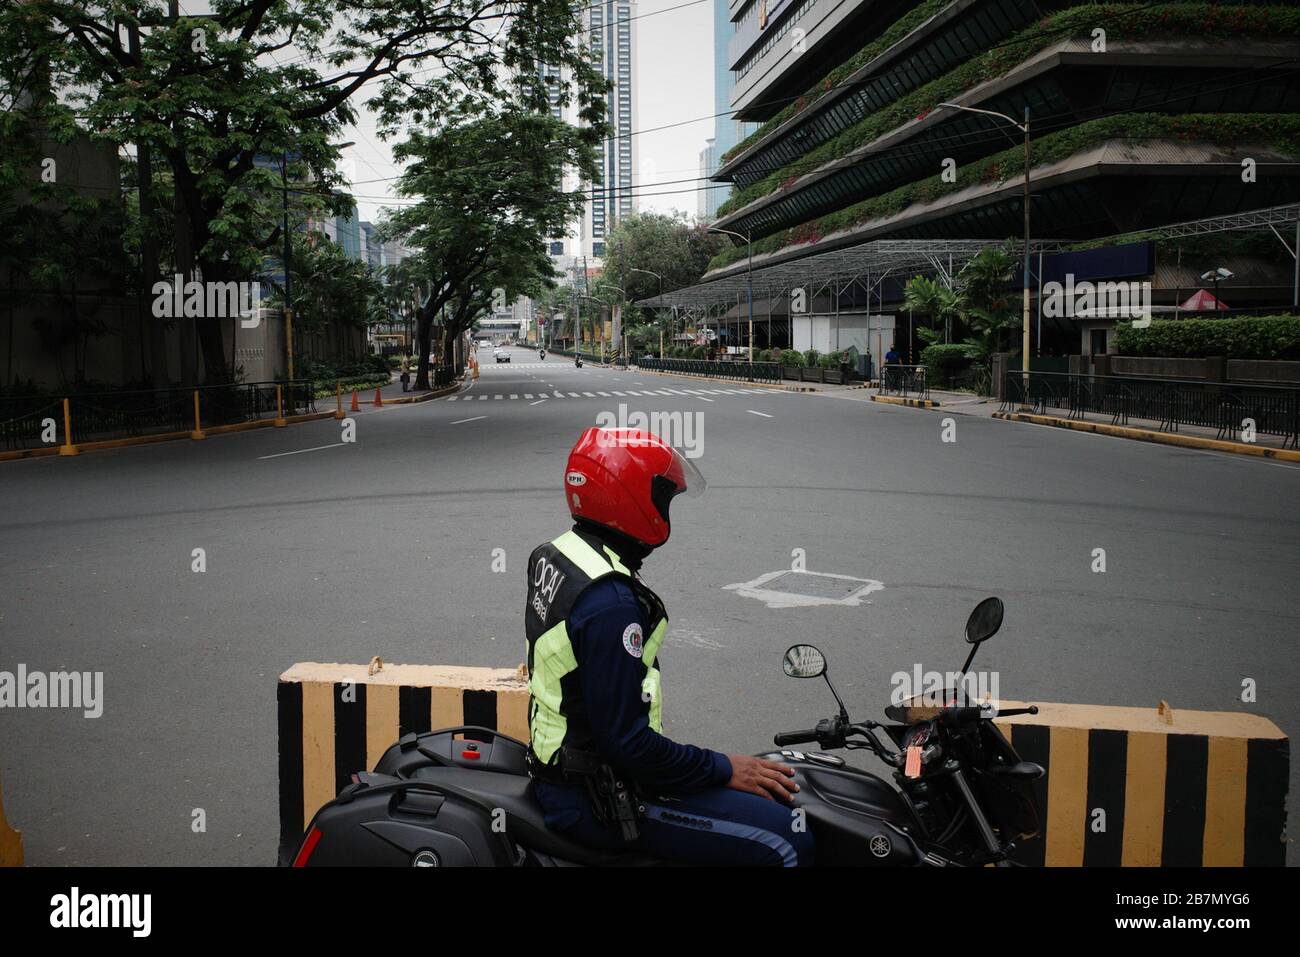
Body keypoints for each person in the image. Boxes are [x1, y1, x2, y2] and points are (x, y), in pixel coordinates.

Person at [524, 428, 814, 866]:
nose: (665, 508)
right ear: (629, 500)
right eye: (662, 497)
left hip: (566, 767)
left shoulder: (558, 554)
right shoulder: (610, 604)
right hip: (594, 795)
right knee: (789, 840)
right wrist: (723, 768)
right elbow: (629, 745)